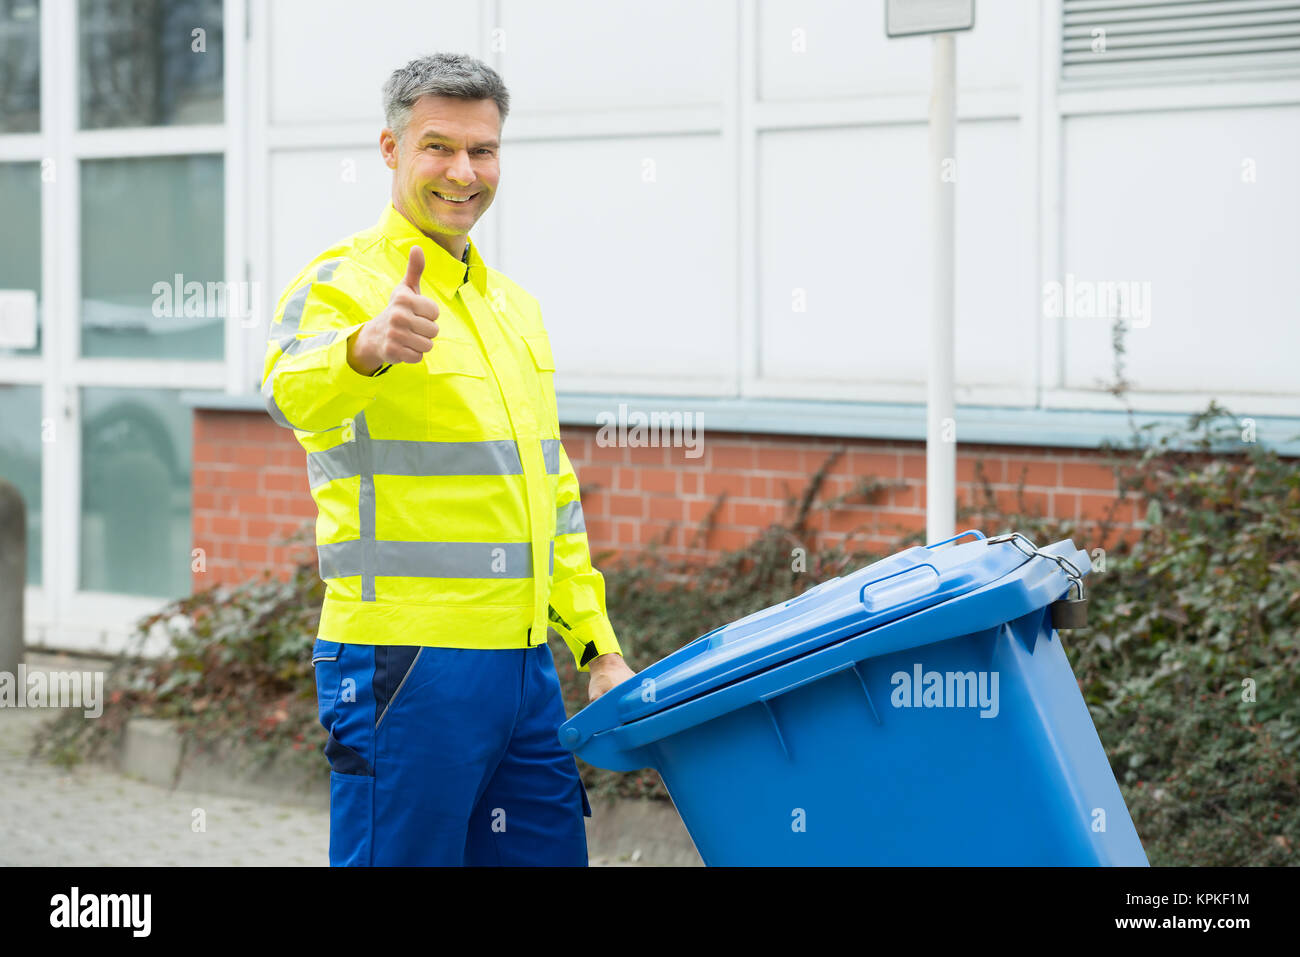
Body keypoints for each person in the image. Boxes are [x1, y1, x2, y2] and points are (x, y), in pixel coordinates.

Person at [260, 52, 636, 866]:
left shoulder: (515, 310)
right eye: (439, 146)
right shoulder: (342, 282)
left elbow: (550, 494)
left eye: (483, 150)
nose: (464, 171)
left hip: (524, 670)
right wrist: (363, 349)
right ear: (391, 149)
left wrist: (596, 645)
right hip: (405, 663)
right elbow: (289, 389)